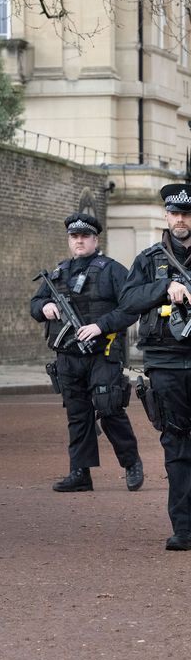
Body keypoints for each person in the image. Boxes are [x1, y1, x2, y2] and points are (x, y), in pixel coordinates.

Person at [31, 212, 143, 494]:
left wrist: (100, 326)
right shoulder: (58, 273)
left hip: (102, 352)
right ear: (69, 240)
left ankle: (131, 464)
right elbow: (35, 303)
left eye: (84, 236)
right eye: (74, 236)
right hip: (67, 356)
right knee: (78, 414)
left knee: (109, 407)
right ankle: (80, 473)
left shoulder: (113, 270)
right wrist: (43, 308)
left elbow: (131, 307)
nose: (79, 241)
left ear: (95, 239)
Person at [119, 182, 191, 550]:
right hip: (166, 364)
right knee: (177, 444)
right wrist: (165, 287)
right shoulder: (149, 260)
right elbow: (129, 299)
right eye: (175, 213)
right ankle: (184, 529)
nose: (180, 220)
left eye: (187, 214)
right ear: (166, 215)